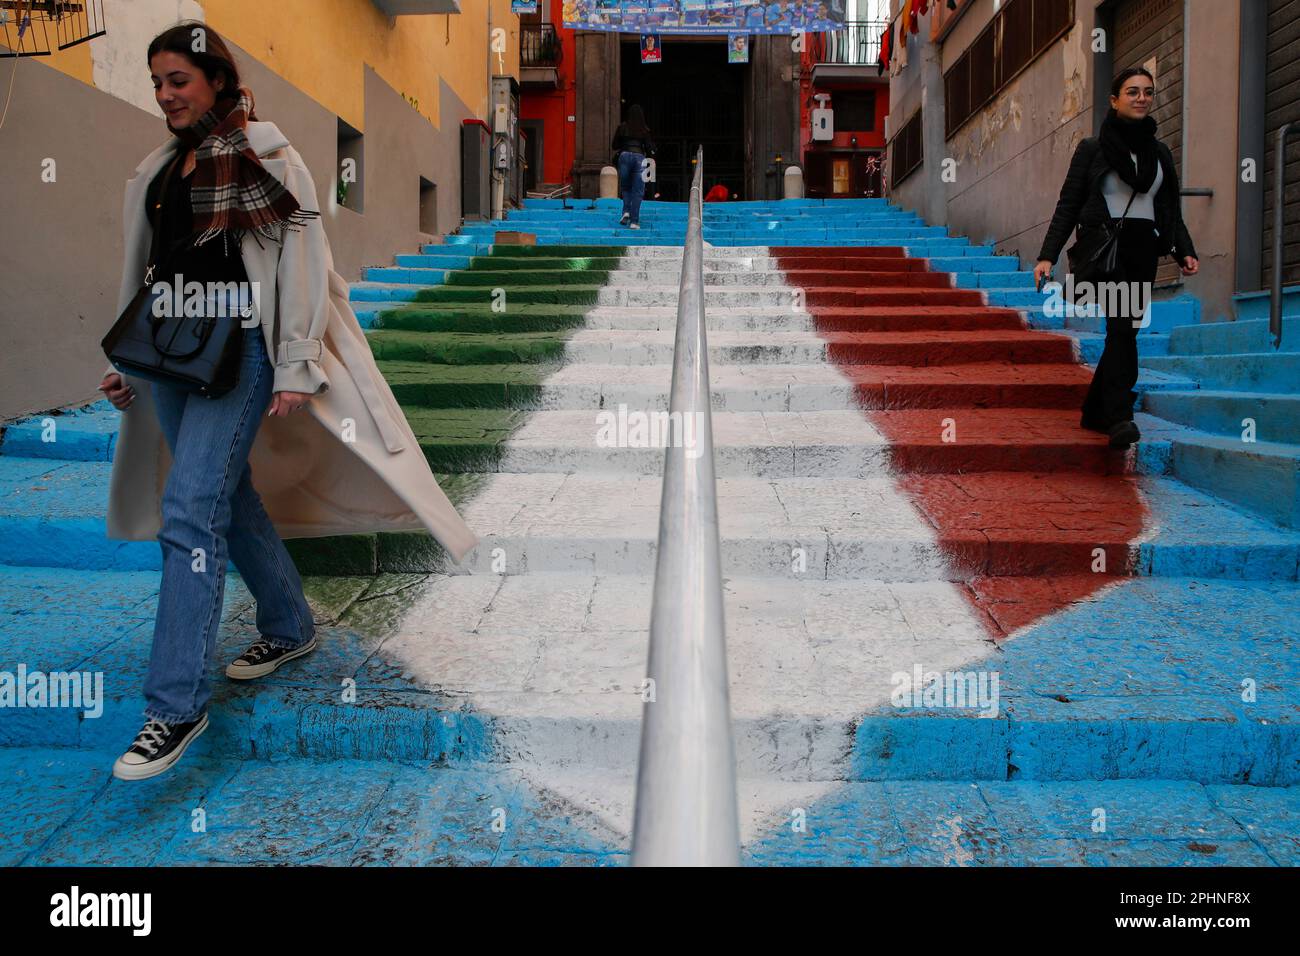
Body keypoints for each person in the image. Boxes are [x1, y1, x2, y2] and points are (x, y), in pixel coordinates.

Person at [97, 21, 477, 780]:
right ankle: (289, 622)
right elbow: (150, 272)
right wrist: (129, 362)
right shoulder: (160, 170)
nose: (167, 95)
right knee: (224, 497)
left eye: (179, 80)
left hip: (243, 353)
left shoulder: (271, 160)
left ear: (216, 80)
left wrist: (298, 365)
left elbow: (302, 264)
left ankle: (172, 708)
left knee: (189, 507)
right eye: (158, 83)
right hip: (171, 351)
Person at [1034, 67, 1198, 449]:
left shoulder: (1159, 153)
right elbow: (1069, 204)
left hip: (1144, 251)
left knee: (1125, 331)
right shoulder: (1093, 148)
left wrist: (1183, 248)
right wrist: (1047, 255)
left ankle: (1095, 409)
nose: (1141, 98)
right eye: (1132, 91)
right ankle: (1120, 416)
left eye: (1147, 92)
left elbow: (1168, 206)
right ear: (1114, 99)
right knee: (1123, 328)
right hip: (1107, 249)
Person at [611, 104, 655, 229]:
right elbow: (649, 148)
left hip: (624, 156)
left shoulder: (622, 127)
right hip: (639, 157)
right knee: (638, 191)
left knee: (626, 187)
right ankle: (634, 222)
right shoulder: (644, 130)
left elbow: (614, 145)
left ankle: (626, 211)